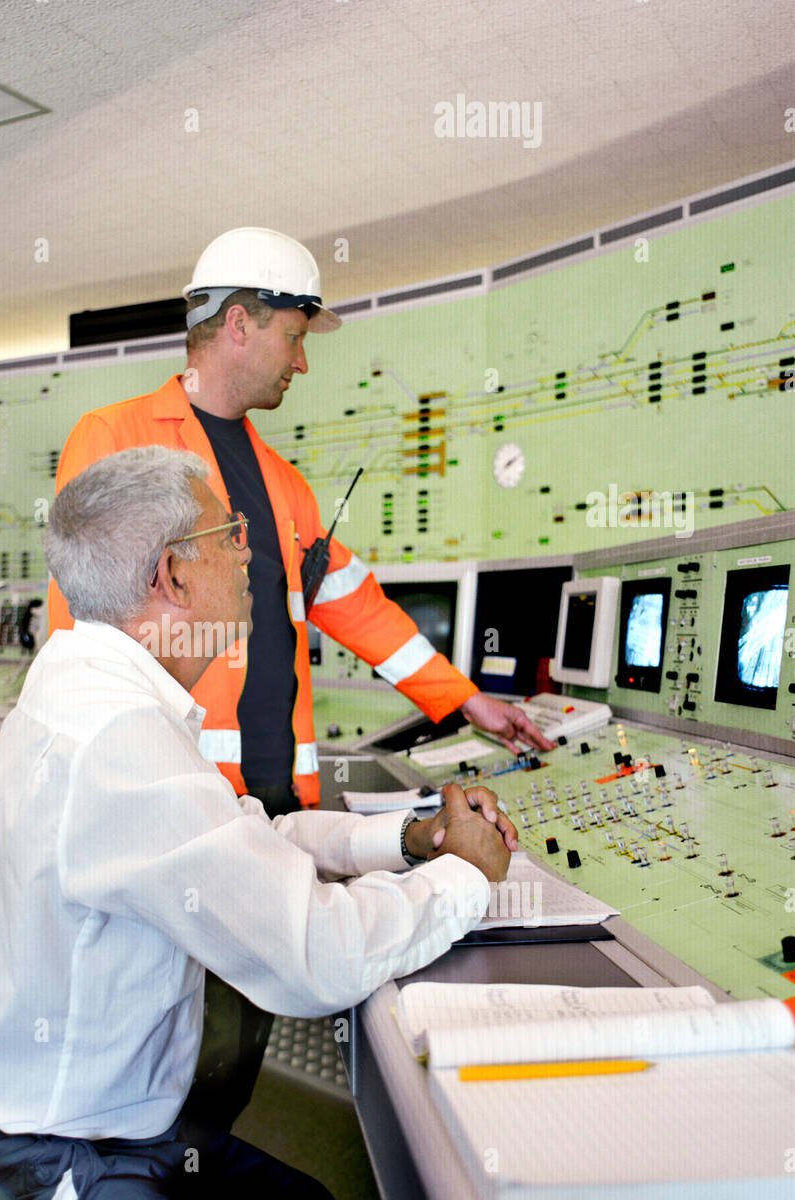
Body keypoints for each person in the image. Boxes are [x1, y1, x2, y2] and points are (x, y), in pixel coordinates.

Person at [0, 446, 516, 1200]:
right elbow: (312, 959)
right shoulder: (118, 737)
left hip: (95, 1132)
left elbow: (242, 840)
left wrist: (405, 842)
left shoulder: (106, 688)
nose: (254, 553)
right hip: (14, 1172)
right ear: (173, 578)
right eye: (234, 532)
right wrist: (466, 877)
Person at [48, 227, 553, 1124]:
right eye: (297, 335)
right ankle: (129, 1197)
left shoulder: (283, 484)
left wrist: (462, 697)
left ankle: (172, 1185)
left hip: (271, 803)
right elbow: (93, 632)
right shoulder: (116, 439)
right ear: (238, 323)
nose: (303, 363)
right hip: (171, 798)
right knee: (159, 1042)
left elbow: (350, 600)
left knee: (232, 1042)